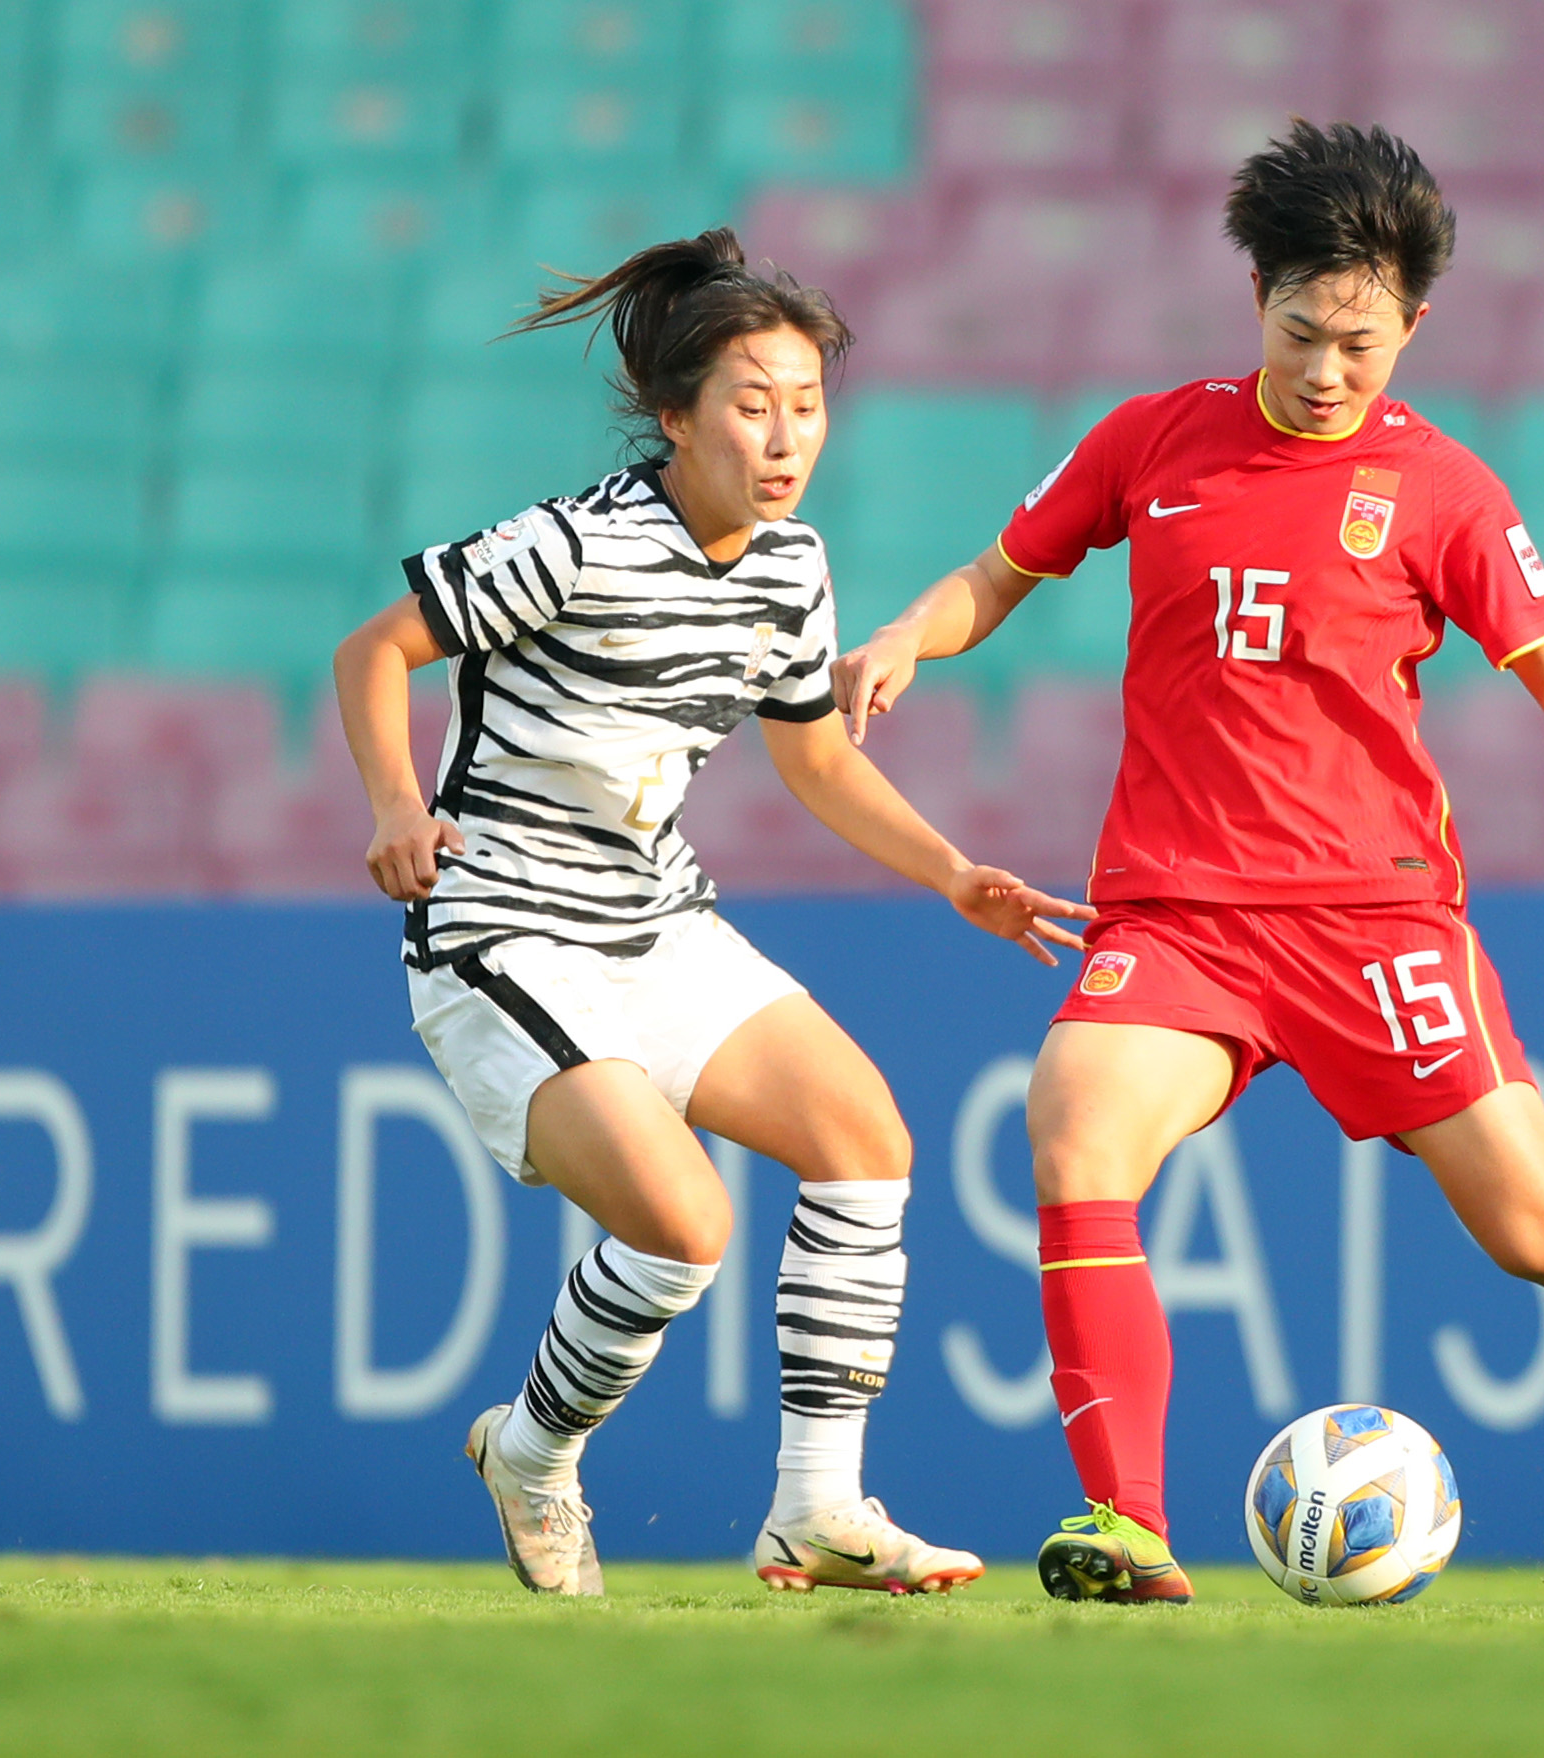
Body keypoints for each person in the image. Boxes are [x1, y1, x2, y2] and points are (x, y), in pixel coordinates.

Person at [831, 123, 1544, 1605]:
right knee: (1075, 1131)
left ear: (1414, 323)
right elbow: (995, 576)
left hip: (1376, 921)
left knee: (1536, 1237)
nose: (1327, 369)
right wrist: (908, 631)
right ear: (1256, 295)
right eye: (1300, 330)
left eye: (1360, 341)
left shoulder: (1444, 490)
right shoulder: (1149, 439)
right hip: (1181, 915)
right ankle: (1132, 1525)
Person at [333, 228, 1089, 1598]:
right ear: (676, 417)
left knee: (864, 1141)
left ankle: (816, 1507)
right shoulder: (574, 544)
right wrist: (397, 804)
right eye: (752, 403)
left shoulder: (789, 570)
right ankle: (532, 1451)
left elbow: (812, 760)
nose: (786, 432)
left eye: (806, 403)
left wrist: (952, 871)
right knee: (683, 1225)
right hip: (501, 930)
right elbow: (373, 647)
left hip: (656, 923)